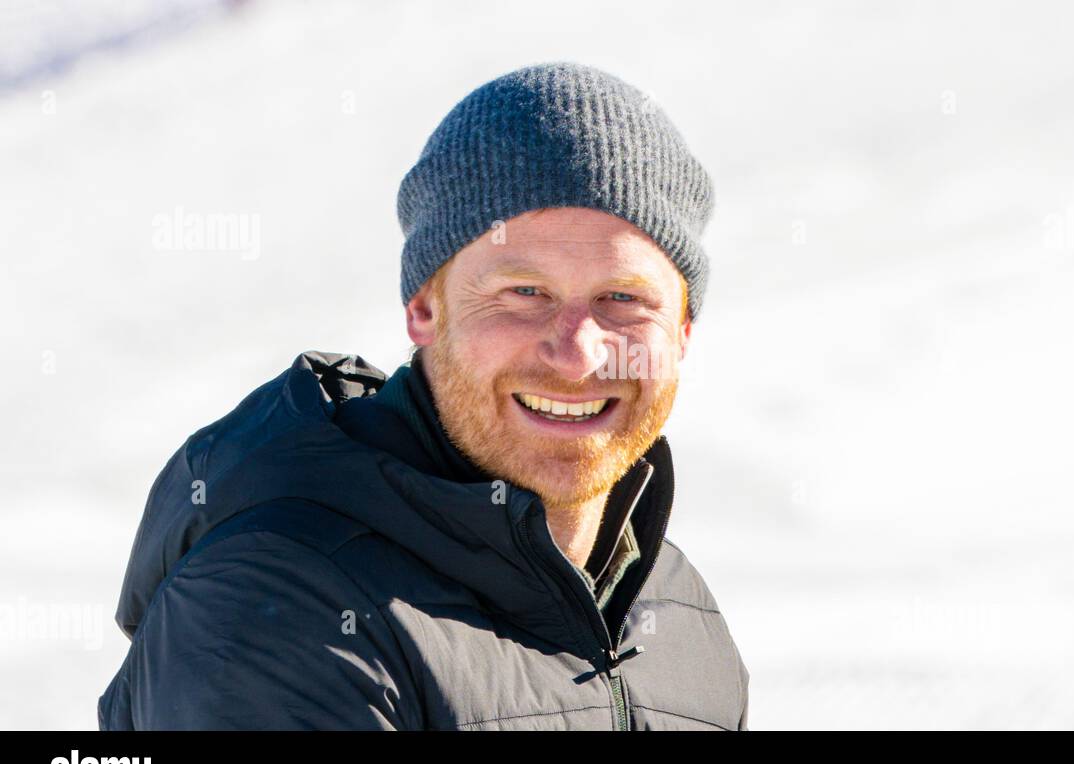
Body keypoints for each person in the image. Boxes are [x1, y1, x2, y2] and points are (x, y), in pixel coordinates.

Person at [97, 61, 749, 730]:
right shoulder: (283, 607)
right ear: (424, 311)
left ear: (683, 329)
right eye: (523, 292)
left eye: (623, 297)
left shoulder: (681, 620)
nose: (578, 353)